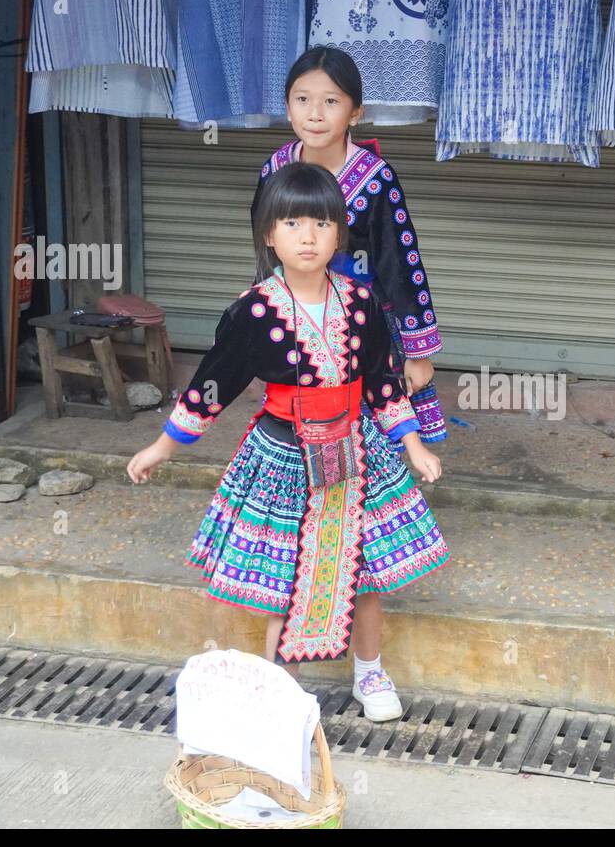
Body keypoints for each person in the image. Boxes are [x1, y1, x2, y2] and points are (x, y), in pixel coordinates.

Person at [127, 162, 450, 721]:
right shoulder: (253, 310)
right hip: (285, 455)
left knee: (367, 572)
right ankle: (283, 689)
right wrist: (163, 446)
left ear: (339, 234)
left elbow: (382, 378)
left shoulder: (360, 301)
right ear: (268, 234)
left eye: (322, 223)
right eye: (293, 223)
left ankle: (370, 674)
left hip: (360, 451)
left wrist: (412, 441)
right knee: (288, 575)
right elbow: (213, 383)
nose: (308, 236)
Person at [252, 45, 446, 443]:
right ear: (287, 107)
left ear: (355, 111)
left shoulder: (374, 178)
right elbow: (266, 250)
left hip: (363, 327)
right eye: (302, 100)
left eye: (331, 101)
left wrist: (418, 352)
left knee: (365, 438)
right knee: (302, 433)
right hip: (296, 324)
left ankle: (364, 504)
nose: (315, 114)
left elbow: (401, 263)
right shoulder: (274, 172)